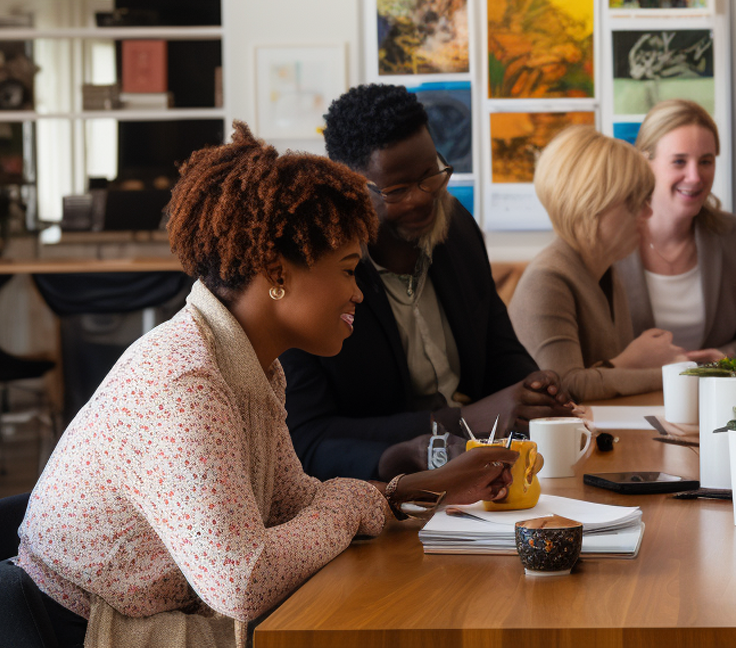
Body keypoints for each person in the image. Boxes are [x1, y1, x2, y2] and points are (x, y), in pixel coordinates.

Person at [14, 124, 518, 648]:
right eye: (348, 271)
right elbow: (243, 580)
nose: (358, 294)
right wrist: (352, 508)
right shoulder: (187, 382)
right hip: (79, 629)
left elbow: (289, 503)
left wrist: (421, 489)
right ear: (276, 271)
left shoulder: (254, 364)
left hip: (151, 610)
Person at [282, 84, 571, 482]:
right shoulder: (315, 275)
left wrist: (532, 388)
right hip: (382, 489)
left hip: (477, 474)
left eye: (430, 174)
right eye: (397, 190)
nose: (422, 199)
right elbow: (308, 438)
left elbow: (498, 349)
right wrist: (457, 421)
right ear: (350, 188)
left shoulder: (458, 230)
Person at [510, 126, 685, 401]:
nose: (648, 212)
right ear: (592, 204)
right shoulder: (546, 280)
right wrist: (680, 375)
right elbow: (566, 385)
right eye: (635, 202)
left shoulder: (608, 271)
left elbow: (600, 375)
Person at [614, 100, 736, 361]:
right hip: (629, 398)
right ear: (645, 162)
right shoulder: (608, 241)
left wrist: (722, 357)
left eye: (706, 161)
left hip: (715, 396)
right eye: (679, 161)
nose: (695, 176)